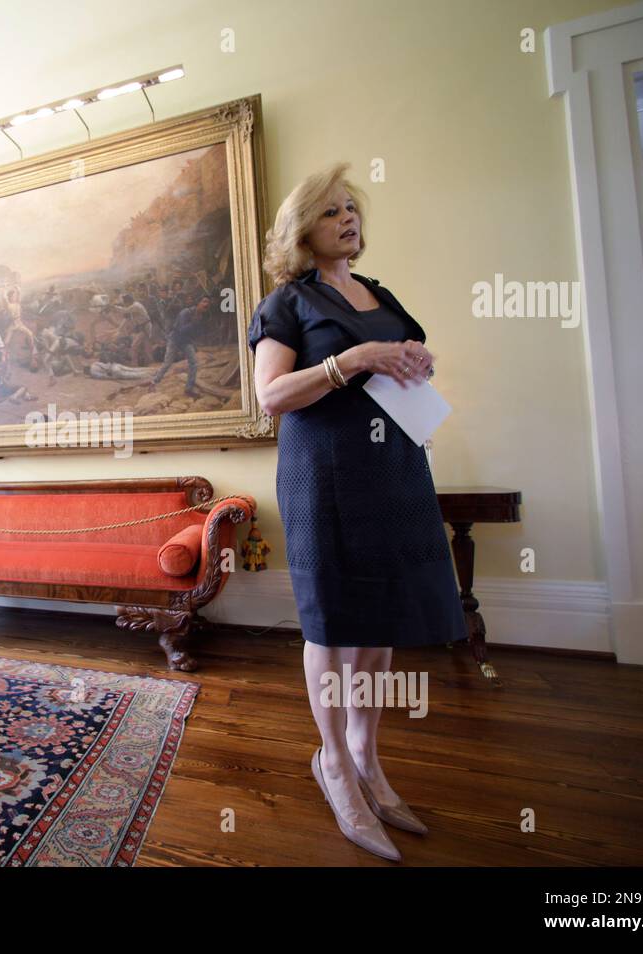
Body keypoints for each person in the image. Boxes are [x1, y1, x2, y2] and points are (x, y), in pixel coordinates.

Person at [248, 162, 466, 862]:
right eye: (331, 211)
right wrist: (354, 361)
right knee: (336, 620)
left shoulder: (381, 293)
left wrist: (411, 360)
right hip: (325, 474)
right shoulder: (289, 301)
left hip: (396, 469)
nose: (349, 218)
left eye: (352, 208)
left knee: (379, 621)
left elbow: (399, 360)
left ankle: (369, 758)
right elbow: (272, 397)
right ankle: (333, 762)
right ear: (302, 230)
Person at [147, 294, 212, 397]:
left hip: (186, 341)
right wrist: (194, 323)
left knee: (193, 363)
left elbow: (198, 332)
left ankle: (188, 389)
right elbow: (180, 330)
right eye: (204, 301)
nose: (206, 304)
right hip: (175, 340)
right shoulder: (186, 312)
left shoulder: (202, 316)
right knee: (167, 363)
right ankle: (153, 382)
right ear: (198, 303)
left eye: (208, 302)